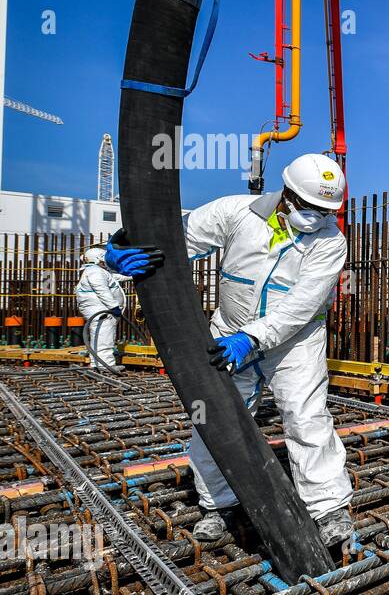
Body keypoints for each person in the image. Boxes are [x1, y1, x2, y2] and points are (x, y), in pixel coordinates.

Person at [104, 153, 356, 547]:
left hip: (295, 341)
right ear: (287, 194)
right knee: (215, 418)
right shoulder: (237, 212)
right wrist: (119, 248)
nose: (316, 217)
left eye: (325, 211)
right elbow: (173, 238)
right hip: (229, 334)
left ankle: (329, 509)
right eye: (309, 206)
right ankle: (216, 505)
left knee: (307, 418)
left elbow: (301, 305)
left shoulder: (330, 242)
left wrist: (253, 339)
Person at [74, 244, 127, 372]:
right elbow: (102, 291)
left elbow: (116, 277)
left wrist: (135, 274)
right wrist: (113, 306)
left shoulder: (97, 271)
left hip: (101, 310)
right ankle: (106, 366)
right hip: (102, 311)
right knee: (105, 337)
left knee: (99, 336)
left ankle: (97, 363)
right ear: (98, 259)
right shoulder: (95, 272)